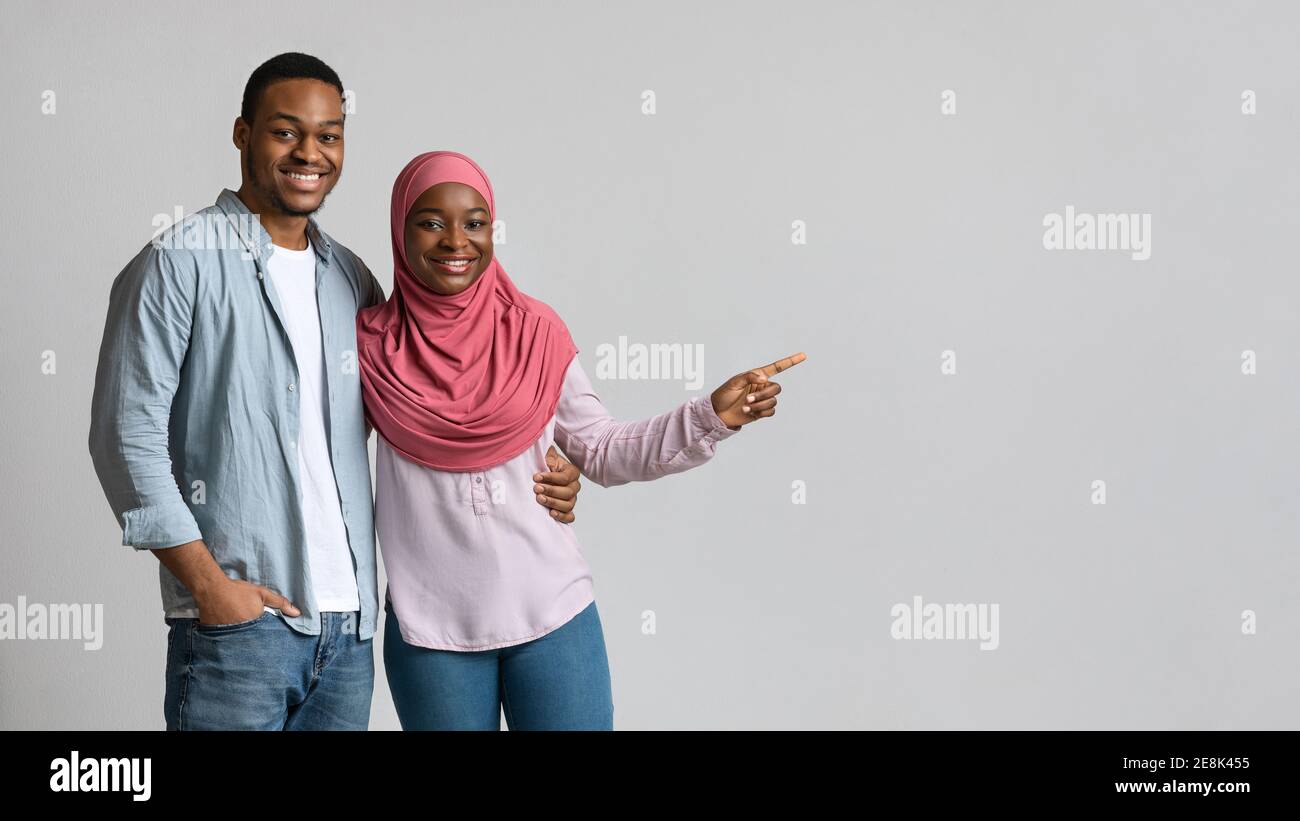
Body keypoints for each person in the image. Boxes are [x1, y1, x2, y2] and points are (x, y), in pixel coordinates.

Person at [87, 54, 583, 730]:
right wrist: (208, 586)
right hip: (241, 627)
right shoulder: (179, 263)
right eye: (285, 132)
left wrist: (543, 462)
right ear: (242, 134)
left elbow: (429, 420)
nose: (309, 153)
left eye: (328, 135)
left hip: (348, 634)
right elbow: (125, 436)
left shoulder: (350, 279)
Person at [358, 150, 805, 730]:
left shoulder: (536, 332)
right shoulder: (368, 348)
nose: (455, 241)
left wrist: (708, 416)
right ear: (400, 230)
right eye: (430, 222)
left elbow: (600, 448)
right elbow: (323, 468)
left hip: (554, 615)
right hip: (430, 629)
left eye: (474, 222)